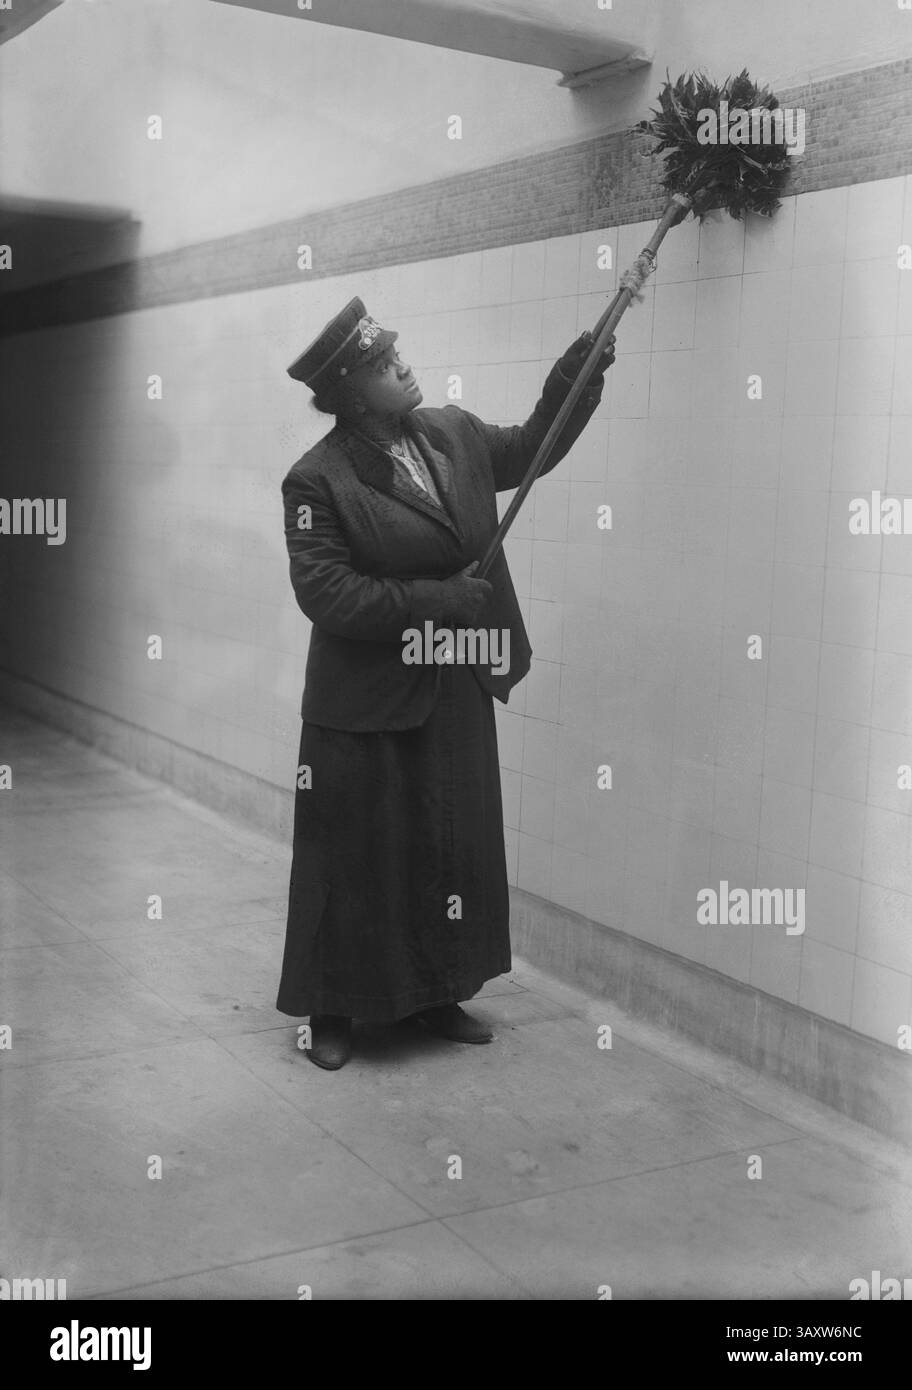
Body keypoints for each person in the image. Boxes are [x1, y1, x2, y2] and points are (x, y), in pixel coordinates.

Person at [276, 295, 615, 1069]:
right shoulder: (317, 482)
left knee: (443, 846)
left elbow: (533, 446)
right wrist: (439, 600)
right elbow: (326, 593)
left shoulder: (453, 435)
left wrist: (579, 370)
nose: (404, 363)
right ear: (354, 390)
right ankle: (332, 1010)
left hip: (449, 691)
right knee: (353, 858)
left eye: (398, 351)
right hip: (363, 704)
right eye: (384, 362)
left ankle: (435, 991)